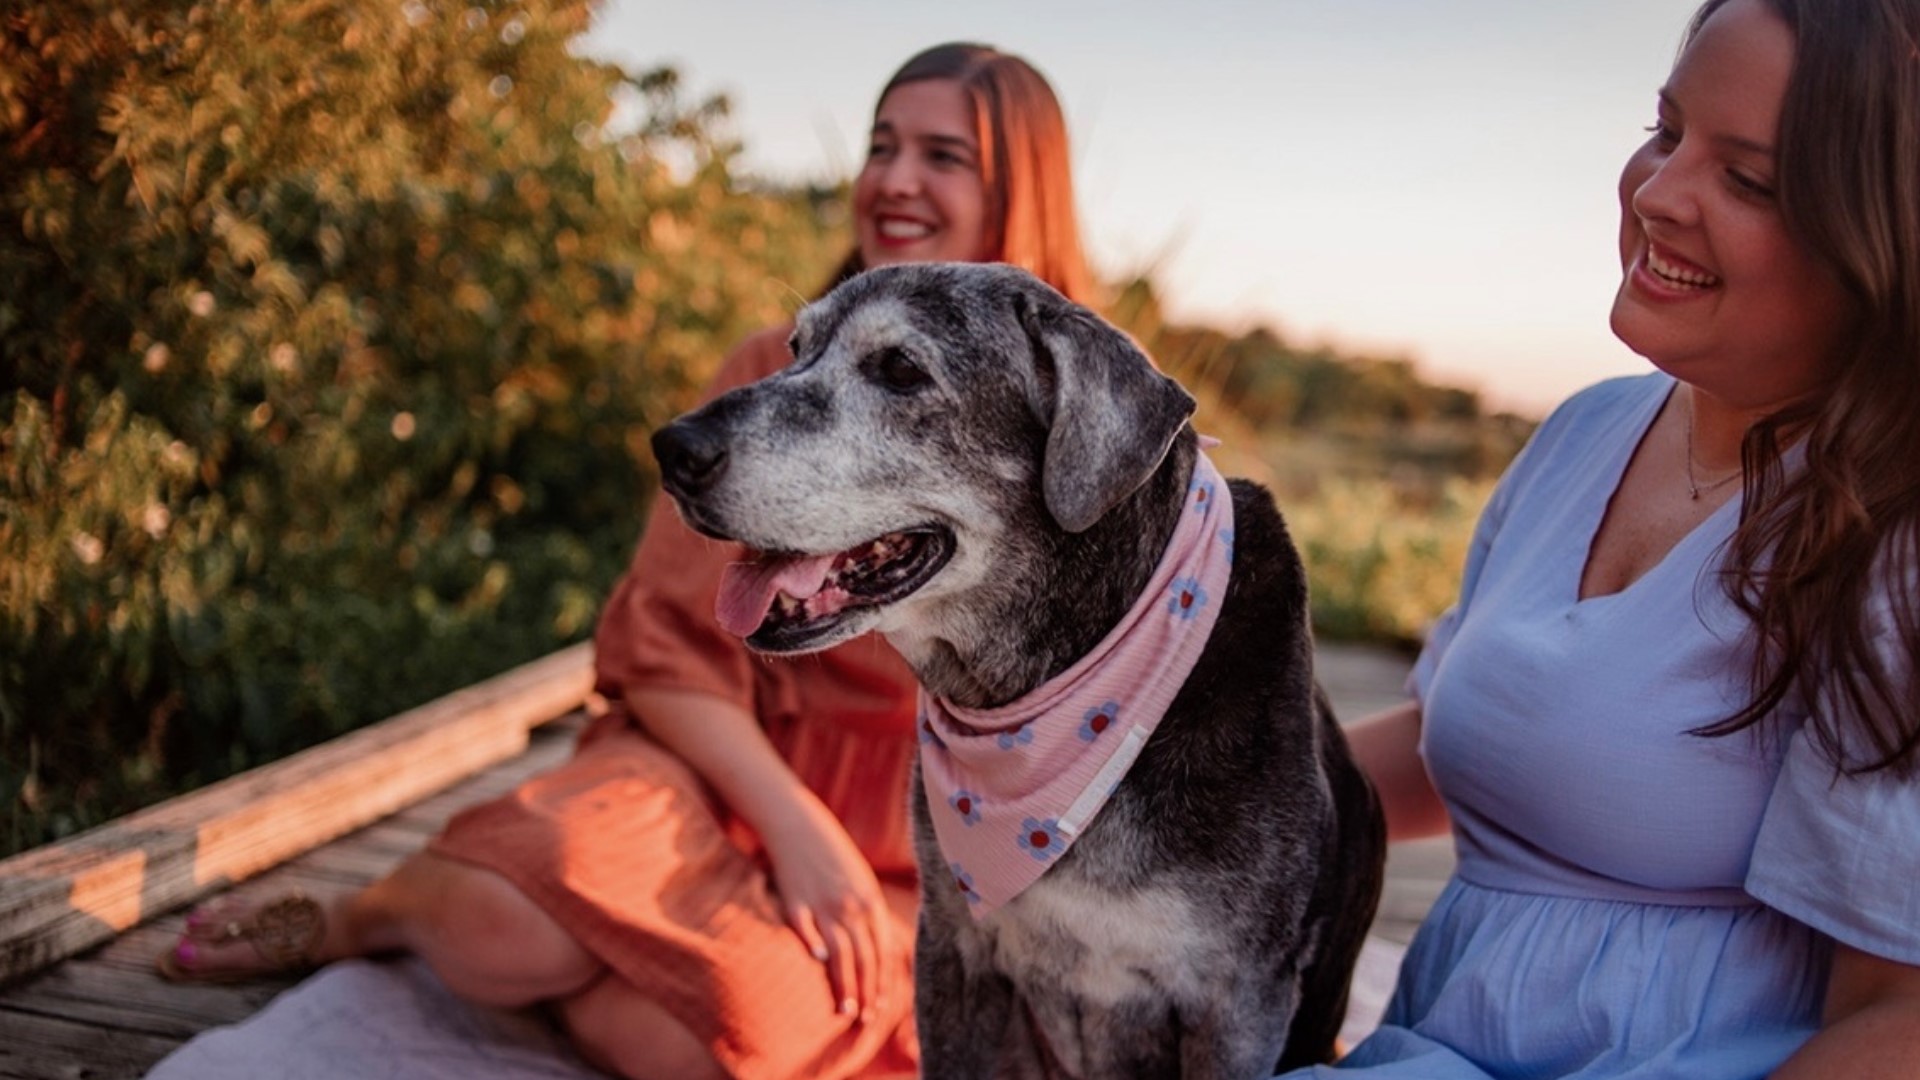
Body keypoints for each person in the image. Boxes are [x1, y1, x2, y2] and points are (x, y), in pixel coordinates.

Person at [159, 41, 1097, 1080]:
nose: (895, 180)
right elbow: (670, 646)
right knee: (499, 917)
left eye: (943, 156)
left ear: (1021, 187)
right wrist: (797, 834)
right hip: (712, 770)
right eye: (883, 147)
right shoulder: (772, 369)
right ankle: (364, 917)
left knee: (709, 1032)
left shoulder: (1074, 421)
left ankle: (598, 969)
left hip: (915, 855)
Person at [1293, 0, 1920, 1076]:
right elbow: (1456, 736)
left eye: (1748, 180)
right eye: (1666, 131)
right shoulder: (1585, 431)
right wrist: (1132, 792)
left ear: (1882, 239)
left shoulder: (1890, 538)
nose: (1658, 194)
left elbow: (1900, 1022)